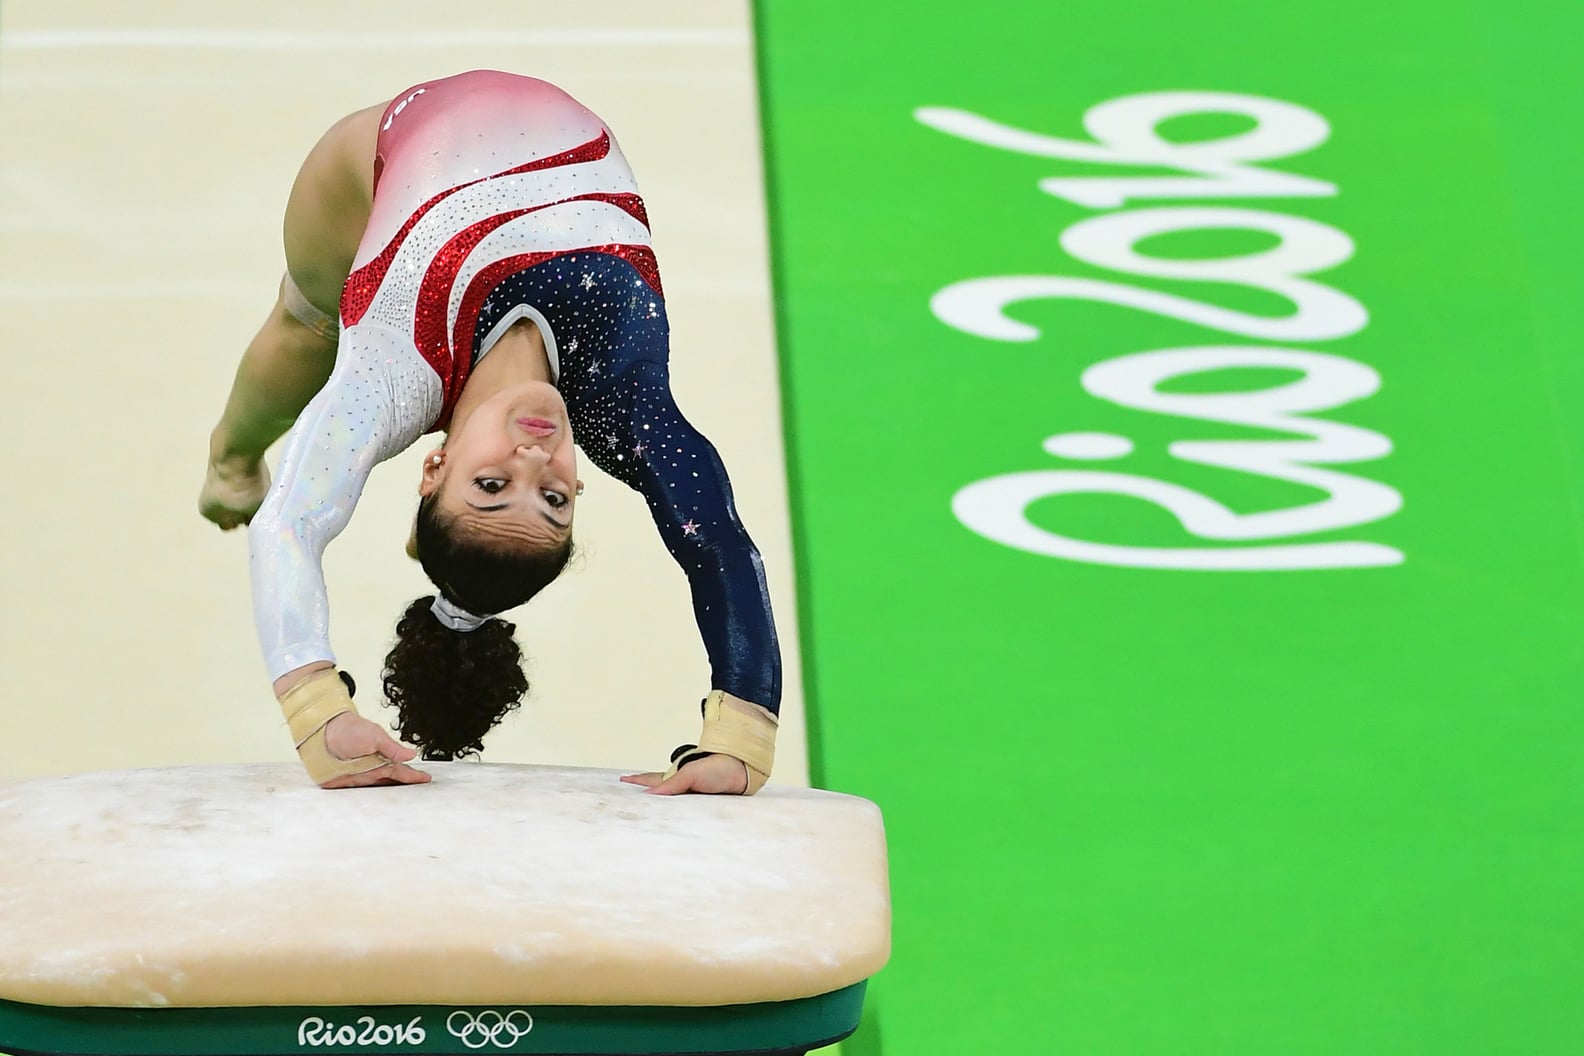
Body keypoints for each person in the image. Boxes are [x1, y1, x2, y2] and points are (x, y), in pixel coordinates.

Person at [199, 70, 781, 795]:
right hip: (464, 156)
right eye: (555, 501)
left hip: (371, 161)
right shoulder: (621, 402)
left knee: (307, 326)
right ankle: (238, 461)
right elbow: (717, 539)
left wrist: (314, 706)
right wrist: (743, 736)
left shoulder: (391, 371)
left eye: (493, 485)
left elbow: (288, 522)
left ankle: (230, 459)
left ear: (432, 466)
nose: (536, 460)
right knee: (316, 338)